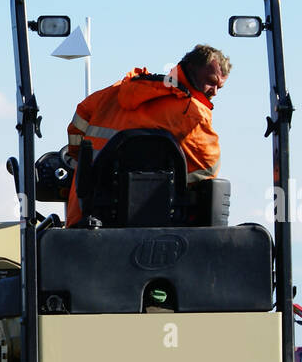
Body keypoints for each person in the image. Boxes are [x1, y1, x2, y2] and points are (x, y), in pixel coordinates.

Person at [65, 44, 230, 227]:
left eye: (219, 87)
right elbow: (206, 173)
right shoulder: (193, 114)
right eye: (210, 81)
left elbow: (78, 122)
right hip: (159, 226)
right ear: (191, 69)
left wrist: (78, 160)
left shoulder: (113, 93)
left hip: (86, 216)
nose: (214, 92)